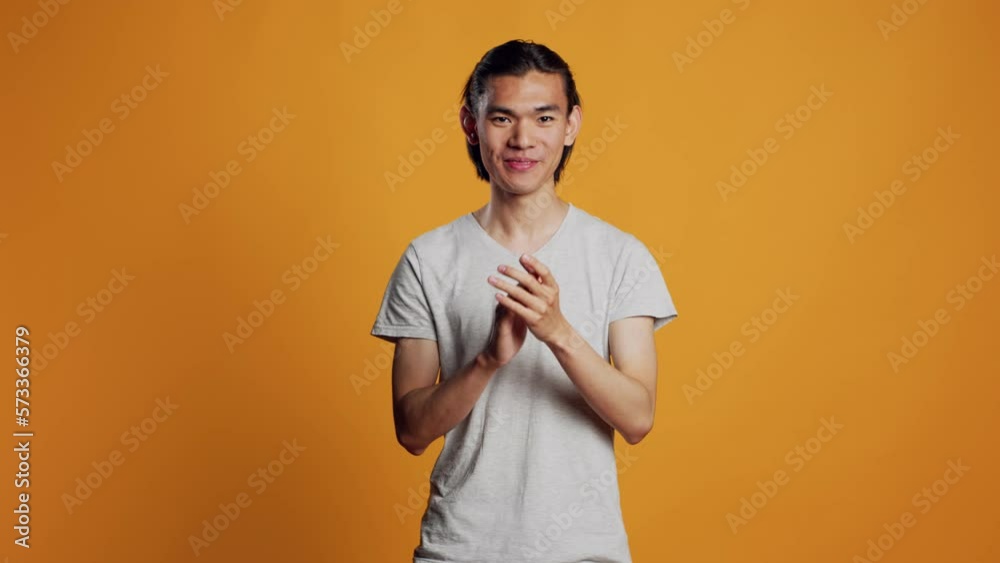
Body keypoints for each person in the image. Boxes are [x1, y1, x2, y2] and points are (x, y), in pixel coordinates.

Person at [371, 39, 679, 563]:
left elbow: (637, 418)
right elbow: (412, 430)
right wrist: (489, 360)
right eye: (501, 119)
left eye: (543, 118)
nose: (522, 139)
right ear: (471, 124)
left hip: (584, 550)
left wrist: (558, 332)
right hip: (460, 549)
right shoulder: (428, 258)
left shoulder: (620, 254)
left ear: (571, 125)